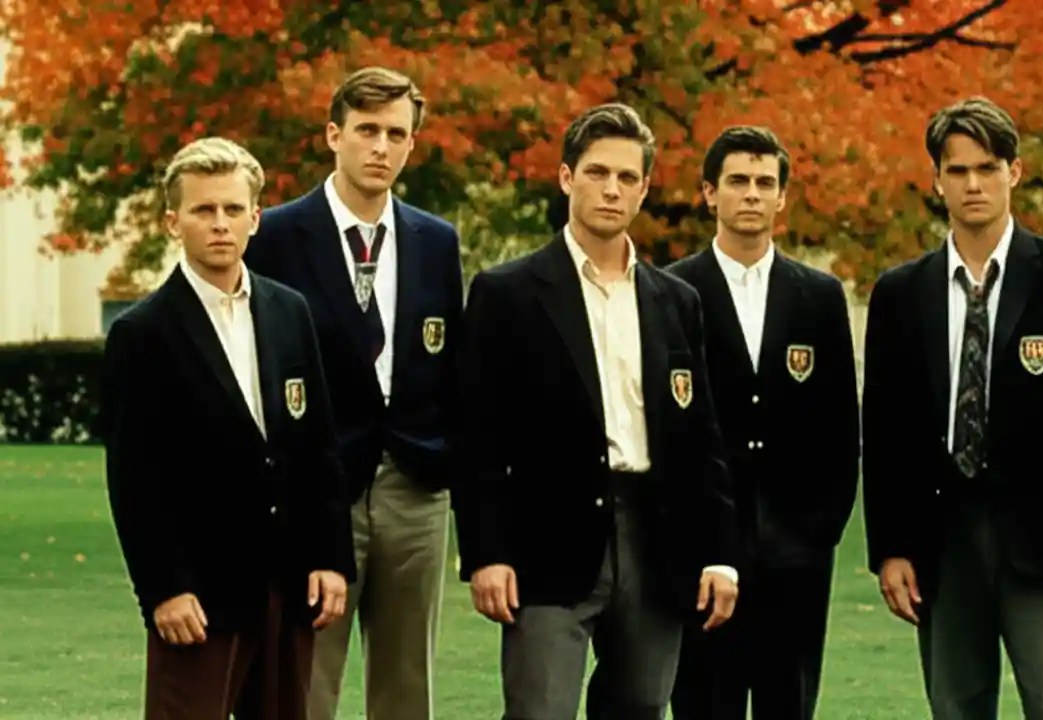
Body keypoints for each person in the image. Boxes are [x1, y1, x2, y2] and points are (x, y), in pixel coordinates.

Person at [455, 102, 740, 720]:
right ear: (566, 178)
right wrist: (486, 552)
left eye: (627, 177)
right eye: (596, 172)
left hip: (655, 534)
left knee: (640, 703)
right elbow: (478, 435)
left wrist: (719, 553)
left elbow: (702, 440)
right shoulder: (507, 293)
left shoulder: (676, 302)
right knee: (541, 709)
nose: (611, 189)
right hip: (545, 535)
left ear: (643, 188)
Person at [861, 96, 1043, 720]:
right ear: (936, 181)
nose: (973, 183)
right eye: (957, 171)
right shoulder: (901, 293)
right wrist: (891, 548)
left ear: (1015, 172)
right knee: (956, 707)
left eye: (987, 167)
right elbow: (886, 431)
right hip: (942, 543)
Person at [102, 137, 354, 719]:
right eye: (203, 210)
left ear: (256, 218)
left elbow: (318, 449)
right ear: (174, 222)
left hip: (290, 586)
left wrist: (331, 556)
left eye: (233, 209)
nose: (220, 224)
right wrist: (163, 589)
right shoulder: (144, 334)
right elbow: (135, 480)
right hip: (200, 593)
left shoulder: (289, 311)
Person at [243, 66, 463, 720]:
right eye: (367, 130)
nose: (381, 147)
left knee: (405, 688)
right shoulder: (276, 236)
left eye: (397, 134)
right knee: (305, 682)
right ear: (332, 134)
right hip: (317, 490)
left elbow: (447, 365)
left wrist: (442, 454)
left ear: (411, 145)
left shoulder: (435, 240)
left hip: (415, 488)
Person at [662, 125, 859, 720]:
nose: (751, 194)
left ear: (781, 198)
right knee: (705, 702)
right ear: (709, 193)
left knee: (789, 704)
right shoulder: (671, 291)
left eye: (764, 183)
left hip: (794, 552)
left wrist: (817, 530)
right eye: (738, 181)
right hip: (703, 549)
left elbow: (840, 426)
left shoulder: (819, 296)